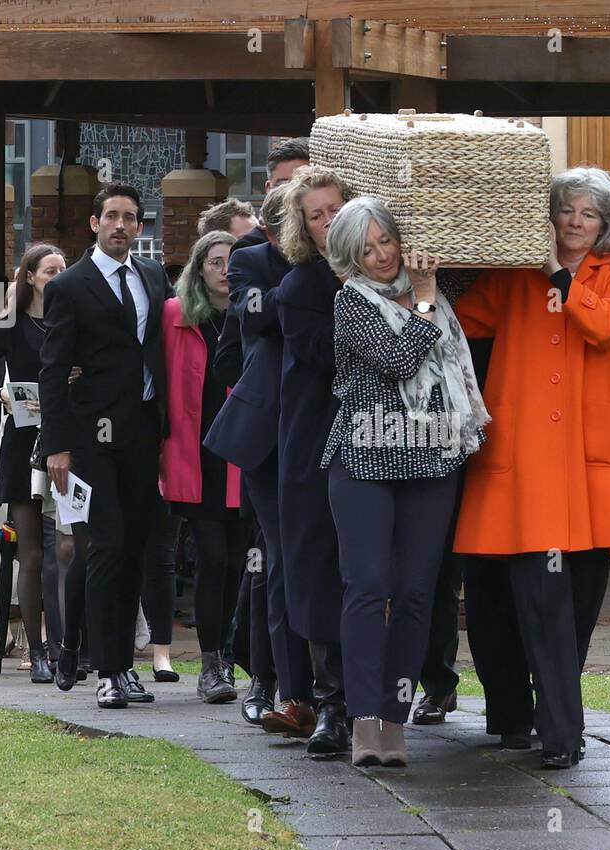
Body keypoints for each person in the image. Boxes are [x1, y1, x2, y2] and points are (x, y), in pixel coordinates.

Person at [453, 166, 610, 769]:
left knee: (579, 605)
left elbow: (607, 324)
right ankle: (543, 727)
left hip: (590, 471)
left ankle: (550, 718)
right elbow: (463, 323)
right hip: (526, 466)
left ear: (606, 223)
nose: (576, 223)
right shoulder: (513, 277)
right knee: (522, 600)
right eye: (566, 211)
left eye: (589, 214)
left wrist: (562, 278)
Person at [321, 197, 488, 767]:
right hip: (364, 459)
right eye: (365, 249)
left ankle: (395, 718)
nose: (380, 256)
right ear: (349, 257)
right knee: (368, 589)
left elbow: (478, 244)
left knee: (418, 593)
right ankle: (363, 722)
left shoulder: (438, 289)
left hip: (431, 458)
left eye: (386, 241)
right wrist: (422, 299)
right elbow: (397, 360)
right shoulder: (352, 303)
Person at [39, 182, 172, 710]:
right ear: (94, 223)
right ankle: (105, 668)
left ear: (140, 227)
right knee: (106, 547)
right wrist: (57, 447)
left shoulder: (153, 276)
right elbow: (52, 370)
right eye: (111, 216)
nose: (121, 225)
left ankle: (125, 668)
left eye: (131, 218)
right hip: (90, 437)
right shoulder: (70, 285)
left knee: (137, 548)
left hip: (142, 430)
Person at [206, 184, 316, 728]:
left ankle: (324, 692)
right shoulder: (252, 260)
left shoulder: (336, 259)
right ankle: (279, 687)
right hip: (269, 436)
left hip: (325, 427)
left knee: (318, 562)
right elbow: (256, 315)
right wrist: (315, 276)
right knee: (277, 561)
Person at [144, 229, 247, 703]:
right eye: (215, 261)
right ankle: (211, 663)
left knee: (241, 564)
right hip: (195, 452)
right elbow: (147, 371)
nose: (225, 270)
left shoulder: (252, 314)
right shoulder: (174, 315)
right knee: (214, 558)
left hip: (244, 454)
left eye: (232, 261)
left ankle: (231, 655)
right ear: (199, 267)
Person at [275, 164, 352, 755]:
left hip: (384, 442)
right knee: (318, 570)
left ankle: (385, 698)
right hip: (314, 446)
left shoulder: (388, 272)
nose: (327, 222)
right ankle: (331, 705)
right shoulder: (300, 287)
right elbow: (333, 358)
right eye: (316, 215)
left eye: (334, 209)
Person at [0, 243, 68, 683]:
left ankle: (70, 645)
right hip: (22, 443)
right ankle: (38, 650)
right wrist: (3, 395)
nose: (58, 276)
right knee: (30, 552)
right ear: (30, 276)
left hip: (67, 440)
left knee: (66, 549)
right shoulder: (9, 325)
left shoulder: (72, 319)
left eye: (63, 270)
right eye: (50, 270)